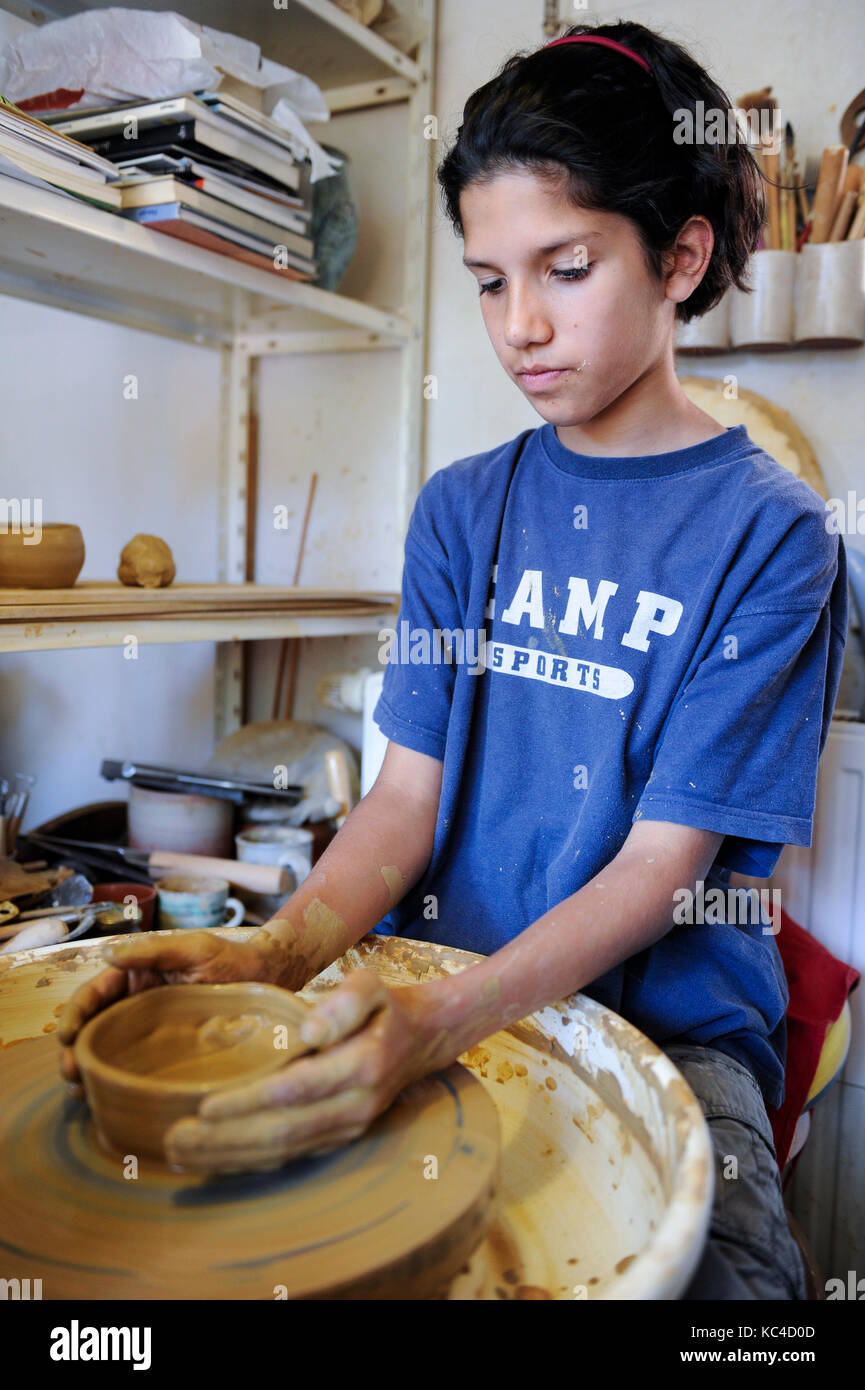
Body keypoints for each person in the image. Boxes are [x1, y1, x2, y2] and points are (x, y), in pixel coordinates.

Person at [59, 20, 847, 1299]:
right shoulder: (460, 510)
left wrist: (438, 1024)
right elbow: (404, 805)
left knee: (735, 1293)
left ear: (680, 256)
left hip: (668, 1026)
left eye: (566, 266)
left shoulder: (771, 534)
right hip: (431, 973)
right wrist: (279, 954)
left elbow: (661, 871)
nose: (519, 325)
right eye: (487, 279)